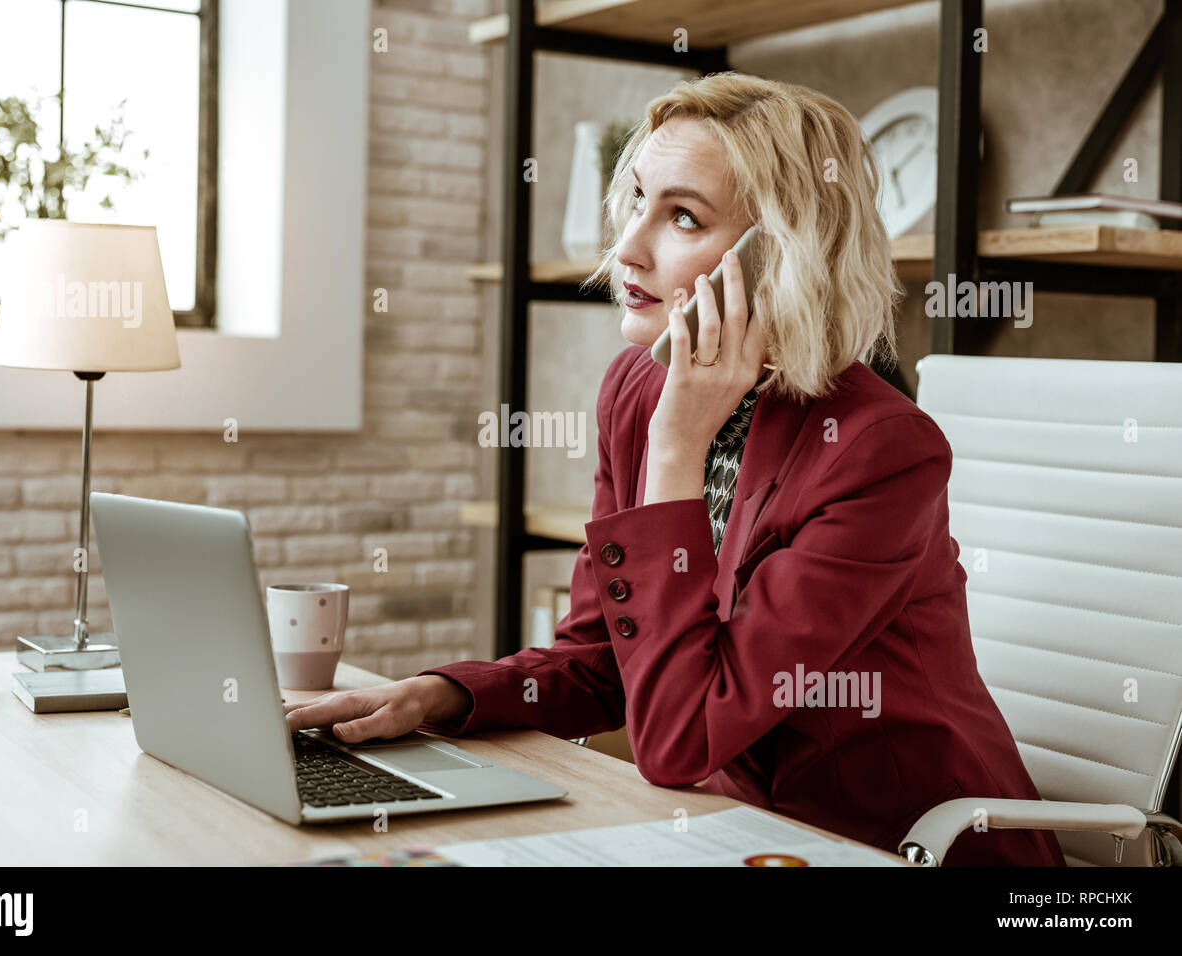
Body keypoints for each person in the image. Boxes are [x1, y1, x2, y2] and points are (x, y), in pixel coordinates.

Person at [286, 72, 1065, 867]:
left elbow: (679, 737)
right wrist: (440, 694)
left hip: (897, 845)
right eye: (637, 201)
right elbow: (601, 657)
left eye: (682, 216)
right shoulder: (636, 392)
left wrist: (674, 451)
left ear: (777, 257)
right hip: (745, 834)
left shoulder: (878, 451)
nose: (628, 246)